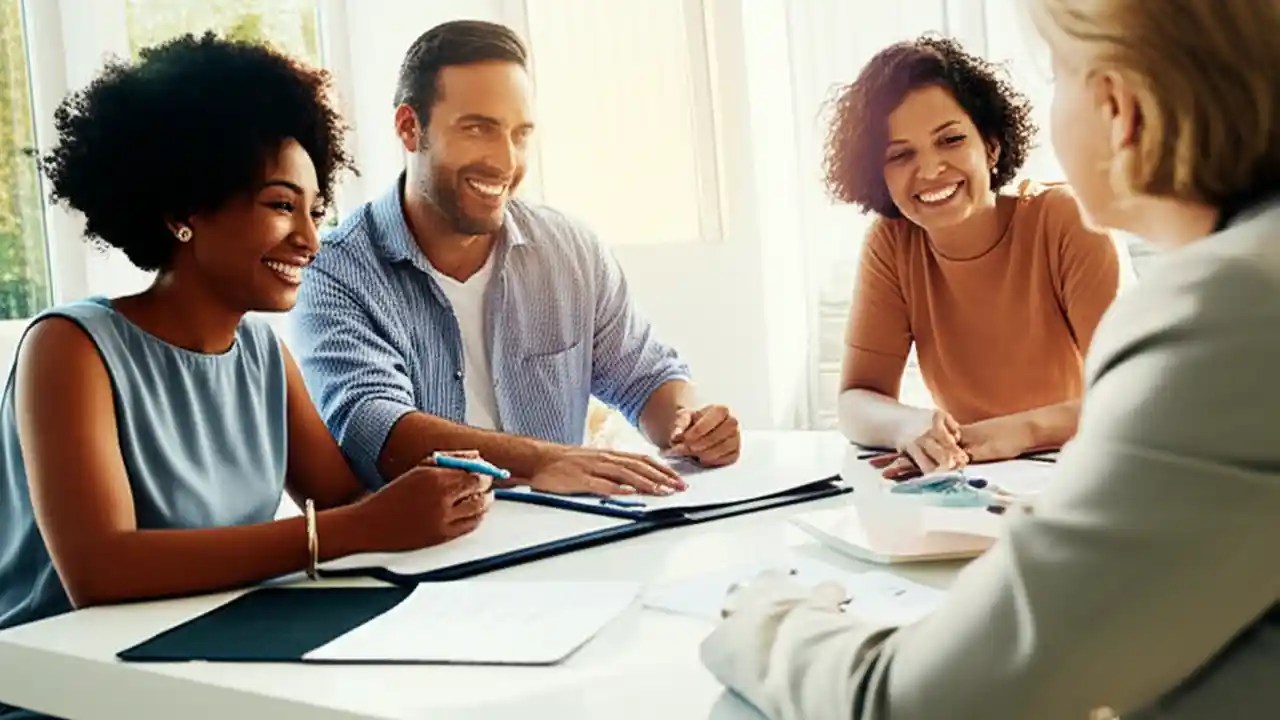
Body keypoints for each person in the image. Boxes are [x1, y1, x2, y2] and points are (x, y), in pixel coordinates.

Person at [700, 1, 1280, 718]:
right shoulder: (1249, 277)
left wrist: (767, 621)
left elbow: (929, 701)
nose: (930, 169)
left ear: (1116, 107)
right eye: (900, 152)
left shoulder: (1228, 307)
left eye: (1057, 72)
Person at [0, 33, 492, 646]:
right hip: (65, 683)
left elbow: (347, 501)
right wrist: (358, 527)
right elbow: (100, 571)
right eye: (281, 205)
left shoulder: (260, 354)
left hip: (212, 661)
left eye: (316, 210)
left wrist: (439, 486)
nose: (310, 240)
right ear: (185, 207)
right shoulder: (71, 347)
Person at [288, 20, 741, 496]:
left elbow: (646, 375)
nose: (505, 161)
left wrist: (689, 423)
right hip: (426, 557)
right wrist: (544, 461)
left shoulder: (572, 252)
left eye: (519, 134)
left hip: (567, 543)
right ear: (409, 127)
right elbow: (377, 428)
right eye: (478, 129)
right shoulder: (334, 271)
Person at [828, 35, 1121, 477]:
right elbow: (855, 398)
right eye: (901, 154)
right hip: (974, 477)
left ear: (991, 145)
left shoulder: (1065, 220)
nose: (929, 171)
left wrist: (1018, 432)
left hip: (1085, 468)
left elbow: (1133, 393)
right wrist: (908, 425)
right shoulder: (892, 243)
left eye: (950, 140)